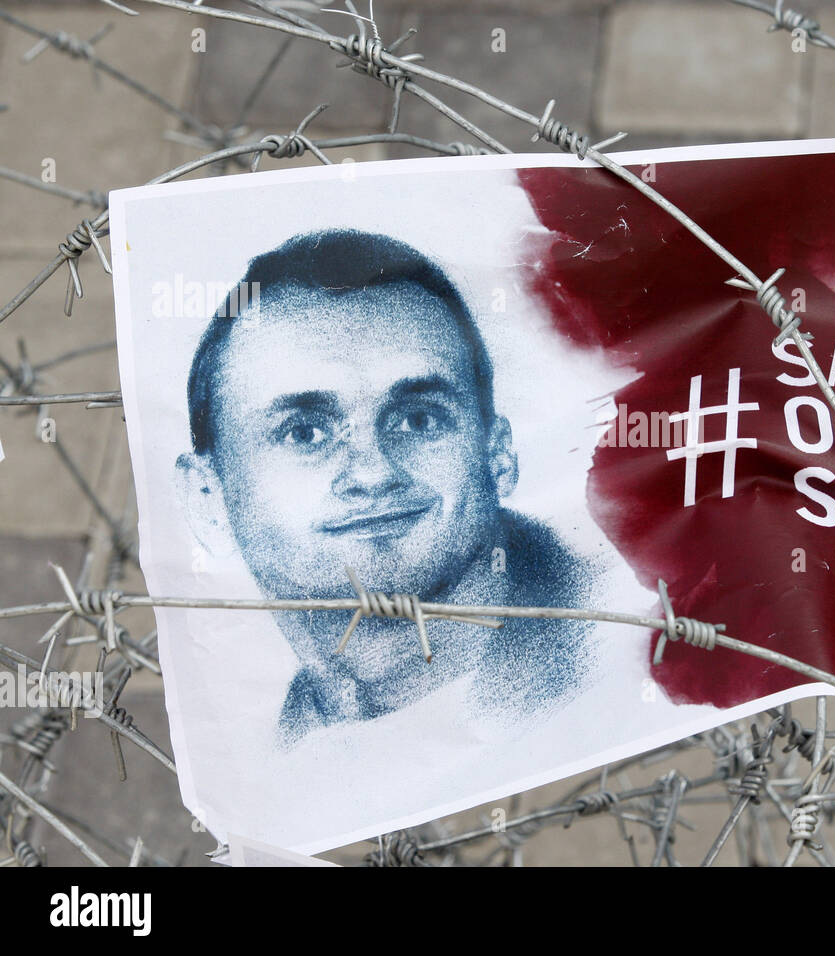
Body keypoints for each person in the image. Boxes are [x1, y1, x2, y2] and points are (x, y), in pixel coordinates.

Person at [175, 228, 592, 746]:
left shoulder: (612, 670)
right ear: (208, 500)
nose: (373, 473)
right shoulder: (271, 752)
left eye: (418, 420)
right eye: (305, 432)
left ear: (497, 454)